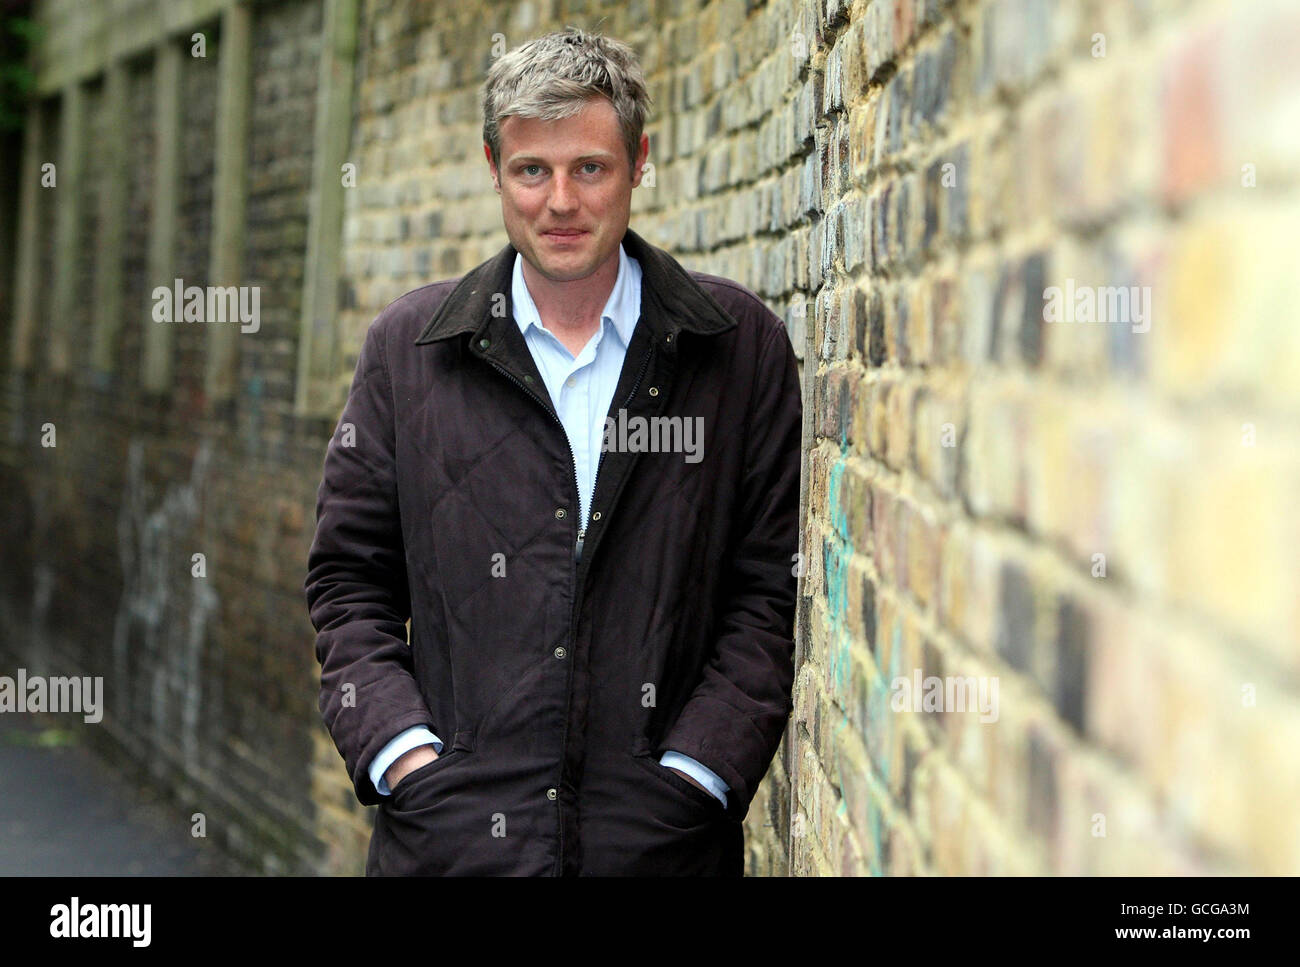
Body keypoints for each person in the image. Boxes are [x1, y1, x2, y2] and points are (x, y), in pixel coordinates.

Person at [305, 25, 802, 876]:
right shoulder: (409, 350)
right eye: (533, 170)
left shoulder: (735, 347)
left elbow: (764, 595)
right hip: (447, 851)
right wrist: (405, 758)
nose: (560, 201)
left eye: (590, 168)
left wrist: (698, 774)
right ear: (493, 167)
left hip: (662, 850)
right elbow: (350, 583)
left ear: (639, 161)